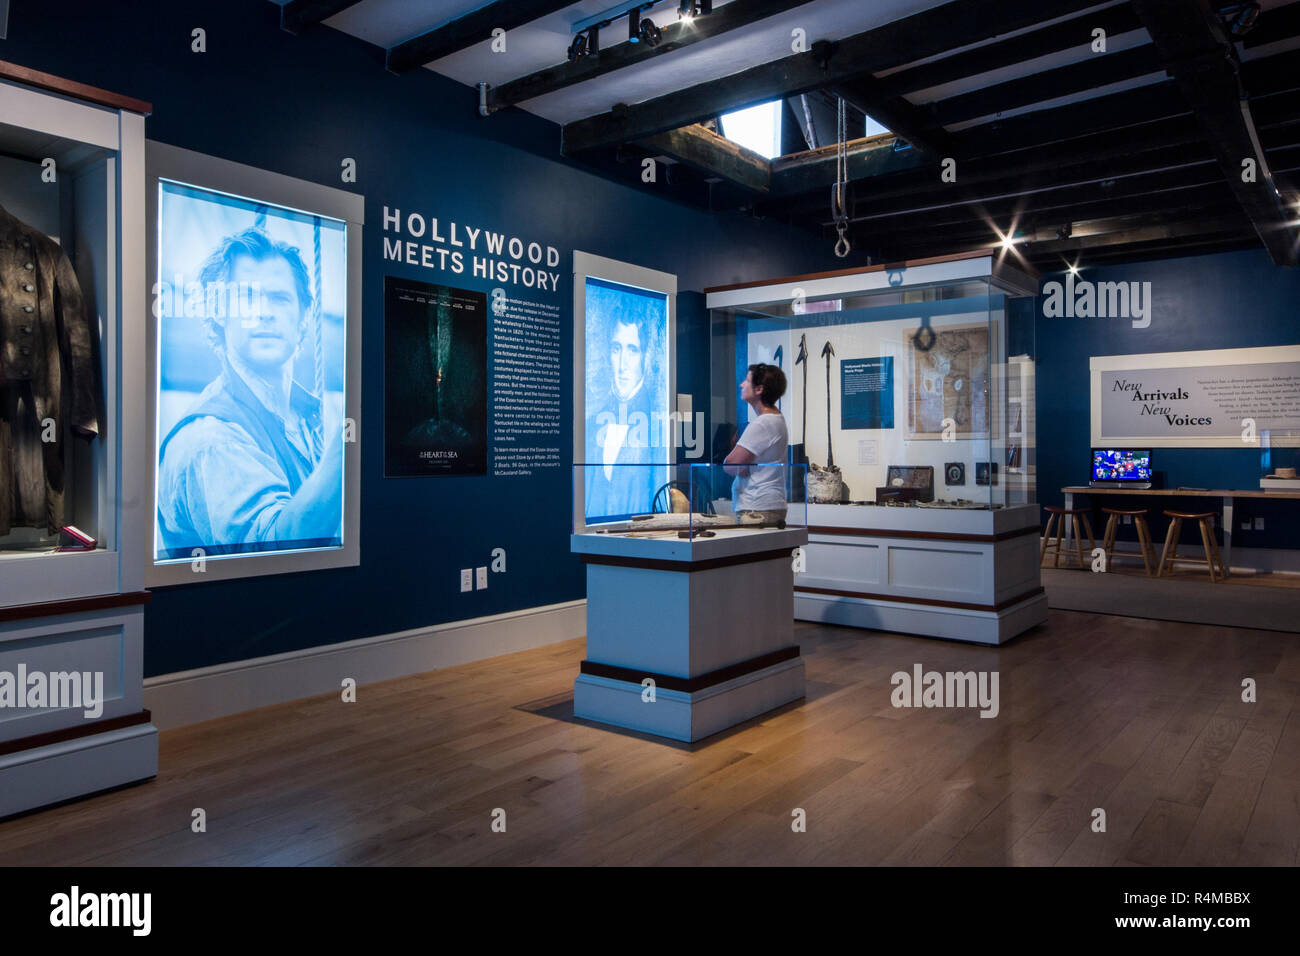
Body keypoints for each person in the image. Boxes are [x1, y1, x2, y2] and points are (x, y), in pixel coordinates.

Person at [156, 228, 342, 557]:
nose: (265, 311)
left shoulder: (305, 416)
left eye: (280, 298)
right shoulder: (212, 439)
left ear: (303, 319)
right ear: (219, 314)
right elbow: (276, 546)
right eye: (248, 297)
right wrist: (346, 452)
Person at [584, 310, 663, 521]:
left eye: (633, 350)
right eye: (616, 349)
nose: (622, 364)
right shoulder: (591, 424)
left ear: (645, 356)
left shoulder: (659, 426)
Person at [725, 363, 789, 519]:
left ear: (759, 389)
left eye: (747, 381)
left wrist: (741, 464)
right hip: (767, 505)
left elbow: (730, 466)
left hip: (757, 508)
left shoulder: (763, 423)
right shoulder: (776, 419)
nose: (742, 384)